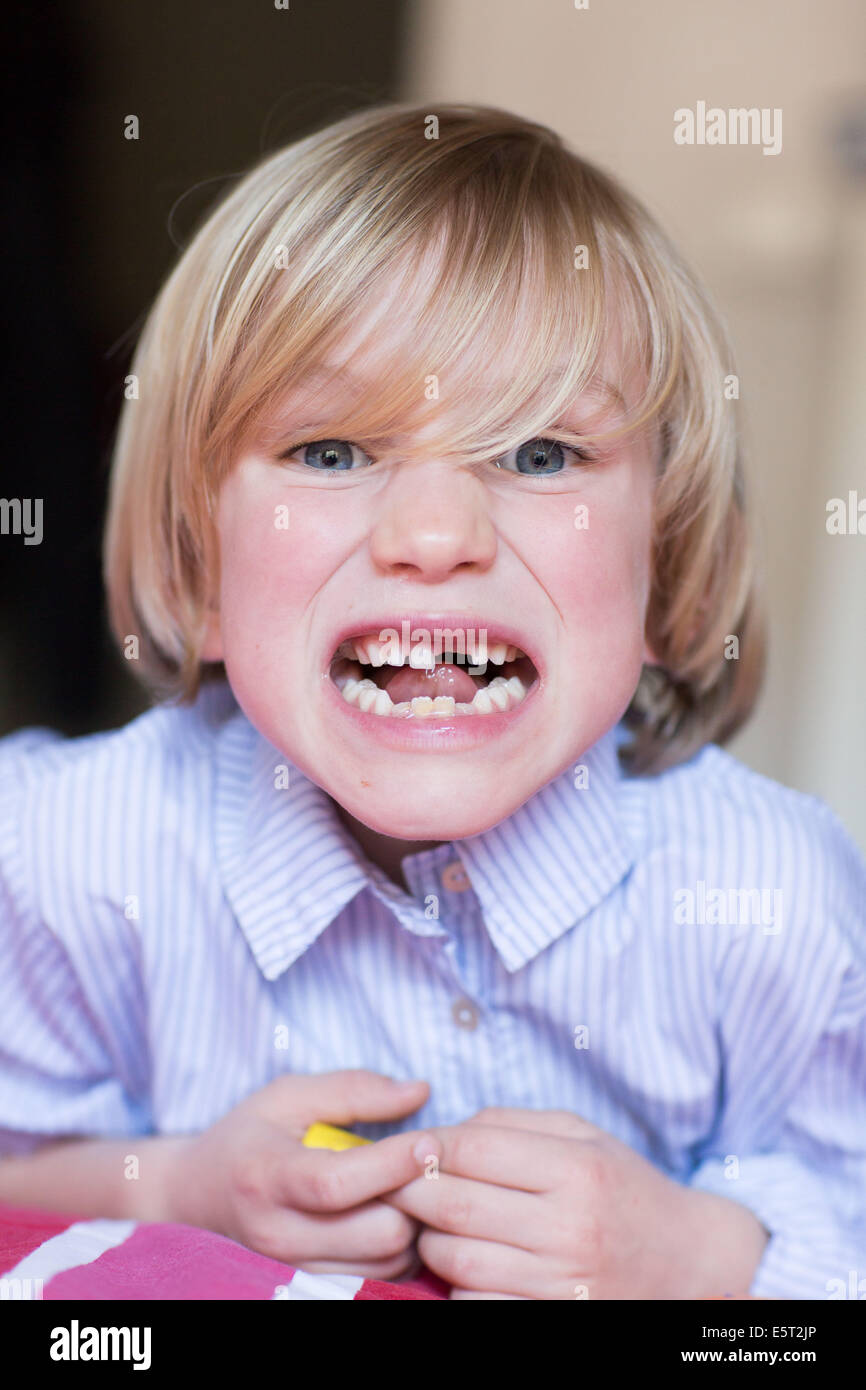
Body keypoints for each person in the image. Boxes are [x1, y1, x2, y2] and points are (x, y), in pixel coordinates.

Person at [0, 102, 863, 1301]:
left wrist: (698, 1253)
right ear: (200, 570)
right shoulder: (65, 855)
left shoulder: (772, 901)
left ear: (663, 567)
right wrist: (177, 1182)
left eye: (539, 452)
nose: (435, 534)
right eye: (334, 451)